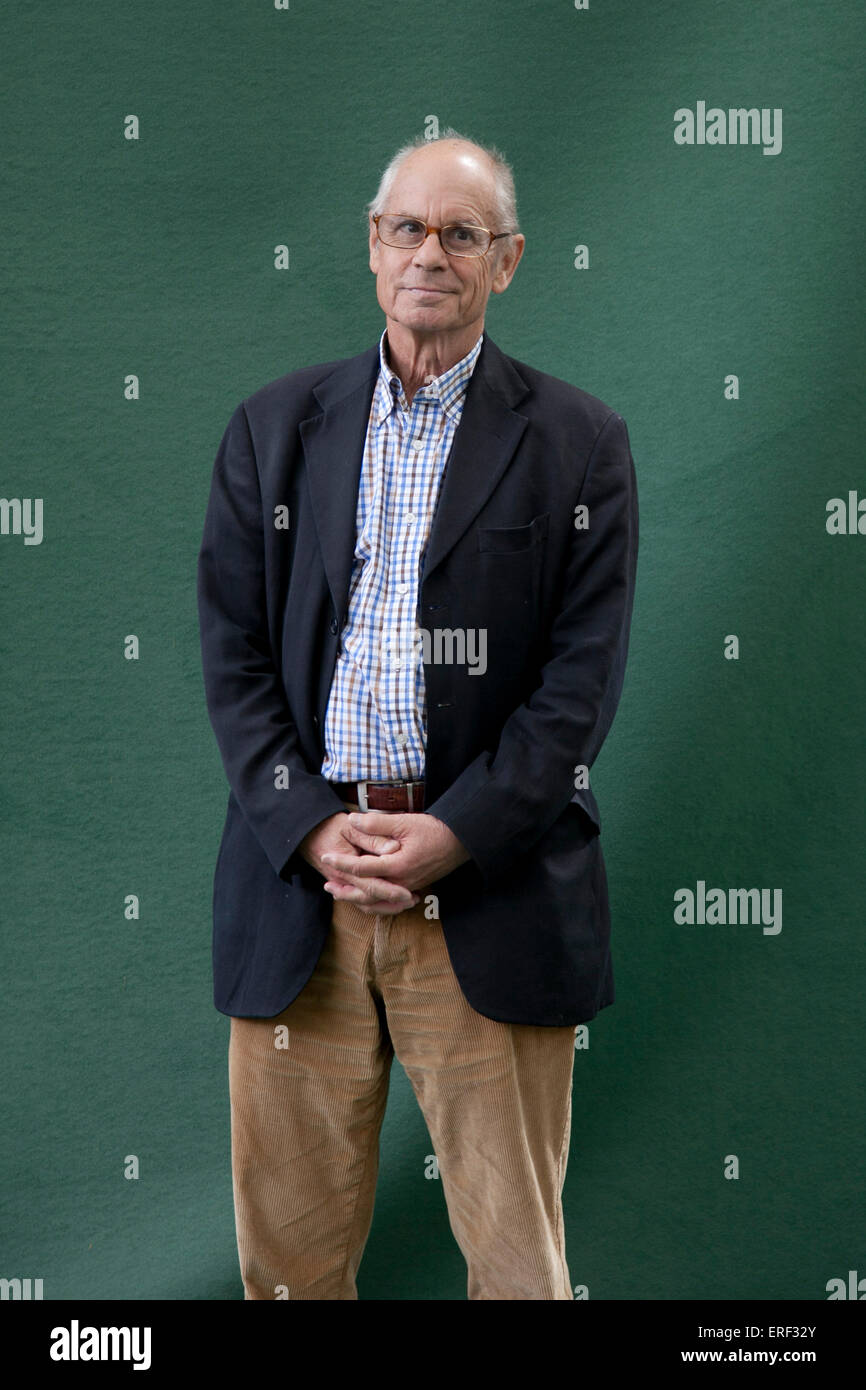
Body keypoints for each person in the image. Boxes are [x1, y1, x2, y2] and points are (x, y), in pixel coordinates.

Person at [197, 129, 639, 1301]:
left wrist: (455, 833)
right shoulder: (269, 428)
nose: (427, 252)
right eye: (406, 227)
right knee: (287, 1269)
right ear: (371, 248)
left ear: (508, 260)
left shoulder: (580, 444)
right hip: (302, 897)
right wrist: (302, 823)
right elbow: (231, 655)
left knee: (513, 1268)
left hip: (489, 900)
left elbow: (576, 688)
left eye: (460, 232)